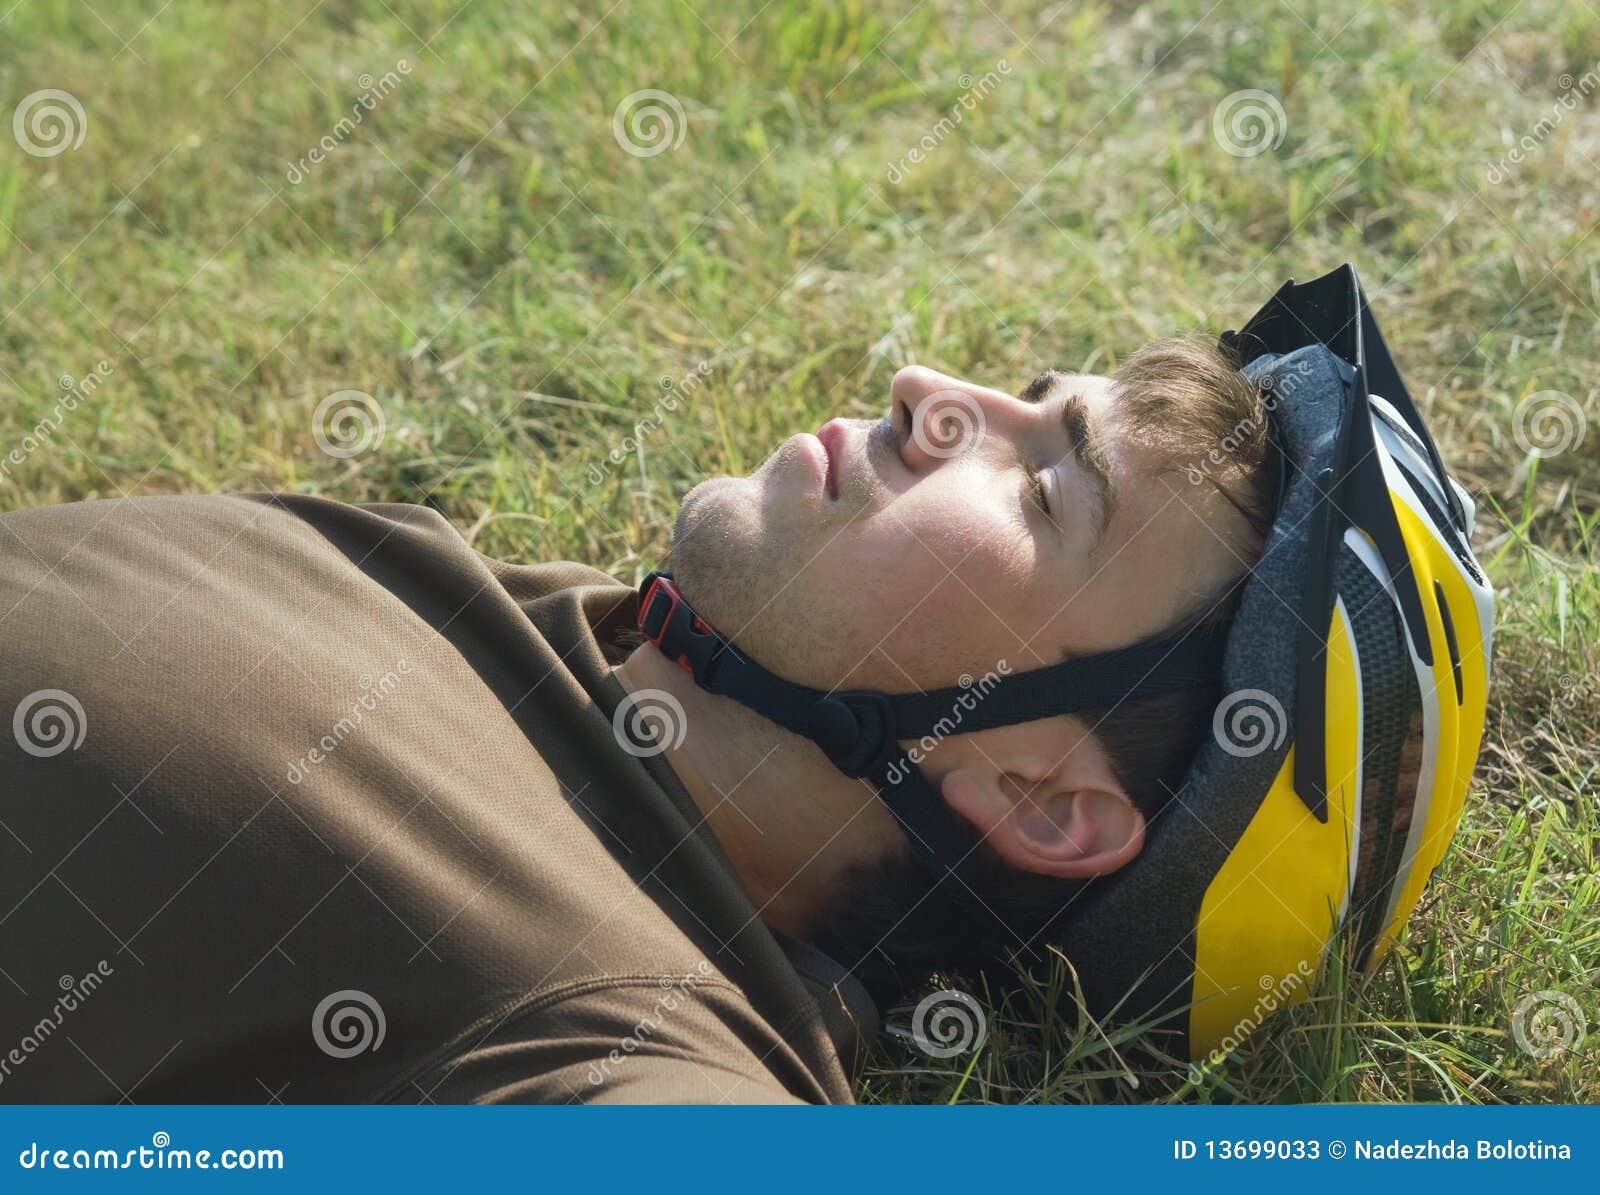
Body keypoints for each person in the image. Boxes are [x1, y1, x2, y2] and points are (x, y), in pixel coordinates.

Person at [0, 337, 1273, 1103]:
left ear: (1041, 801)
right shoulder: (540, 631)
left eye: (1047, 490)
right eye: (1028, 389)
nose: (926, 390)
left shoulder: (631, 1030)